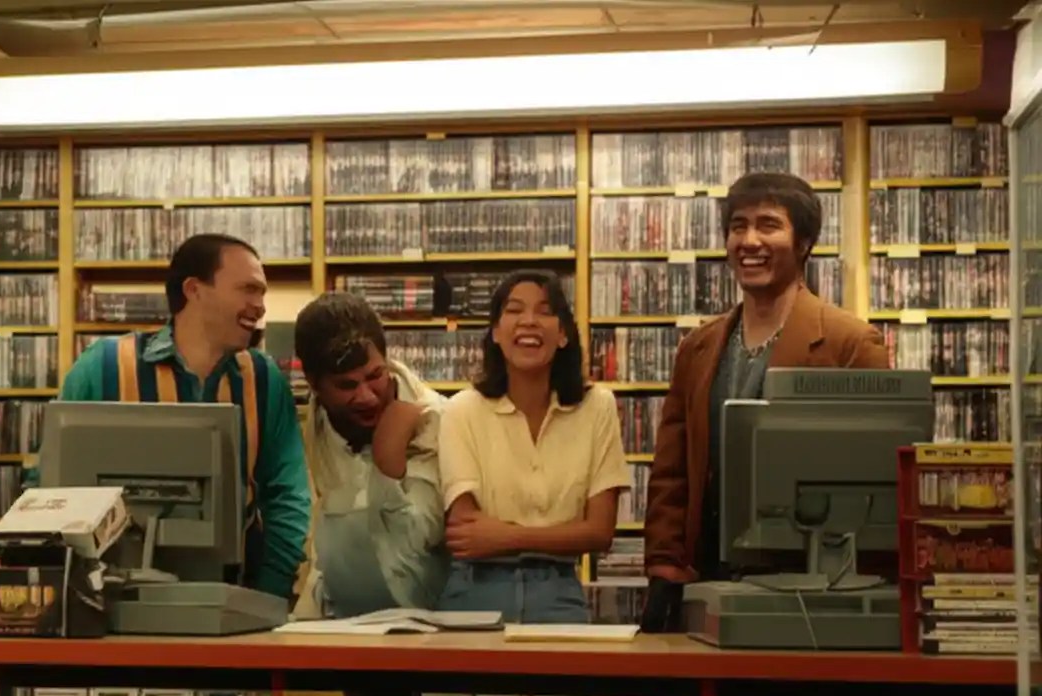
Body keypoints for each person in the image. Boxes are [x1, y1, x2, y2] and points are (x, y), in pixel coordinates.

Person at [640, 172, 890, 632]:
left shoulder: (850, 343)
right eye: (738, 226)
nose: (749, 240)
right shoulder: (697, 348)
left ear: (804, 242)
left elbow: (883, 482)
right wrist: (662, 561)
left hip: (813, 590)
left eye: (769, 225)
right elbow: (671, 471)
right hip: (706, 585)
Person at [59, 233, 311, 601]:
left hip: (237, 602)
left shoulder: (265, 379)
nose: (259, 306)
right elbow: (51, 485)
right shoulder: (103, 366)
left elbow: (288, 497)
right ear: (194, 289)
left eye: (262, 294)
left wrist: (266, 597)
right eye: (248, 290)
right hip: (107, 605)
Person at [436, 270, 626, 623]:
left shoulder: (597, 407)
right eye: (514, 310)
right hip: (475, 592)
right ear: (495, 332)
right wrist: (560, 533)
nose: (528, 321)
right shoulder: (461, 410)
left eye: (544, 310)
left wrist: (506, 535)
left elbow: (600, 532)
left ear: (564, 334)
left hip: (559, 592)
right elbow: (467, 533)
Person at [292, 292, 448, 617]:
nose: (366, 397)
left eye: (375, 376)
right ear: (313, 384)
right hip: (338, 626)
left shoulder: (439, 421)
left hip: (428, 626)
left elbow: (419, 542)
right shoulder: (309, 426)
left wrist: (387, 456)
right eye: (346, 385)